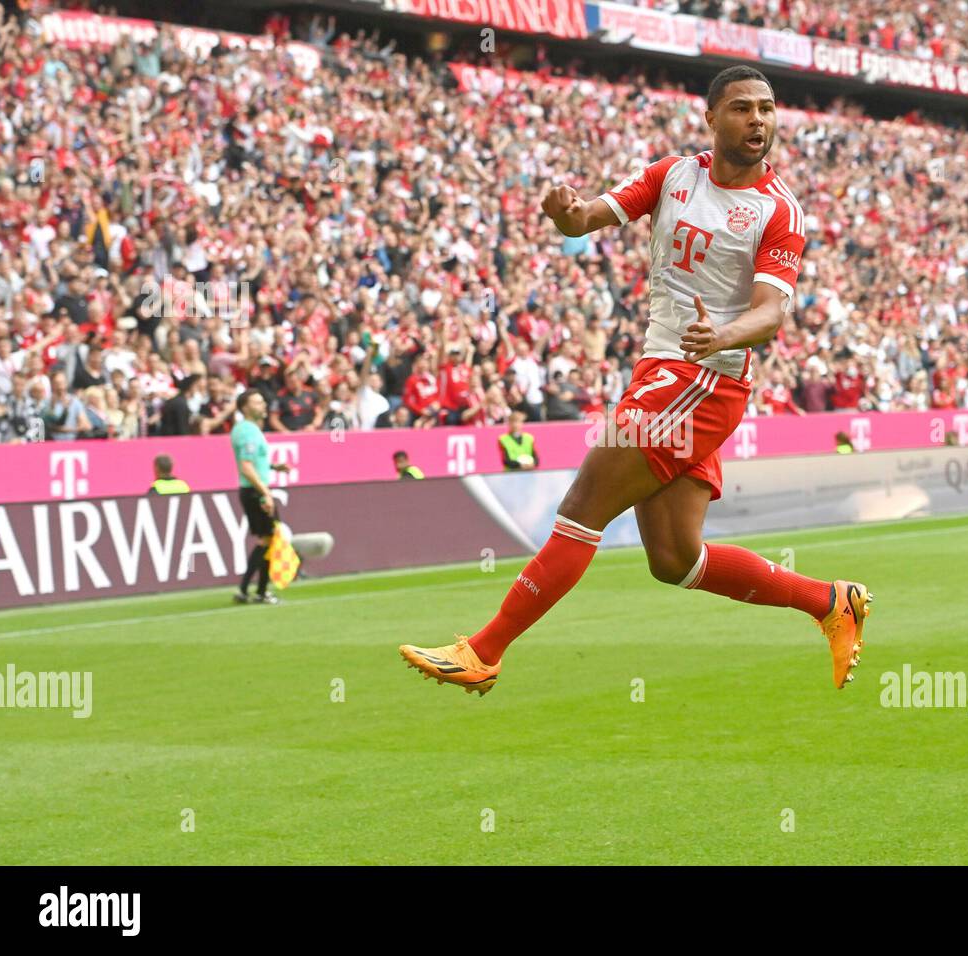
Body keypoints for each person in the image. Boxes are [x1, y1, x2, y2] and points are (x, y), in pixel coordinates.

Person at [401, 66, 871, 697]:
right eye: (741, 109)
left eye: (766, 108)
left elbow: (771, 311)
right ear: (710, 119)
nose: (757, 120)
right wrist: (567, 214)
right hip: (662, 370)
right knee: (675, 560)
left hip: (704, 380)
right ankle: (829, 600)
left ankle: (483, 651)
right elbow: (589, 218)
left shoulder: (779, 211)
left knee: (582, 507)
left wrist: (724, 336)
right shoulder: (674, 174)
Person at [231, 388, 292, 605]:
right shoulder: (248, 431)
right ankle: (258, 591)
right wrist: (265, 492)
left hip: (252, 490)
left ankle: (248, 590)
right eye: (257, 402)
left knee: (267, 539)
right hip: (255, 491)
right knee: (269, 539)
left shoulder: (247, 429)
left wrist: (274, 466)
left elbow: (253, 462)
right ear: (246, 407)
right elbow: (246, 466)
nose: (263, 405)